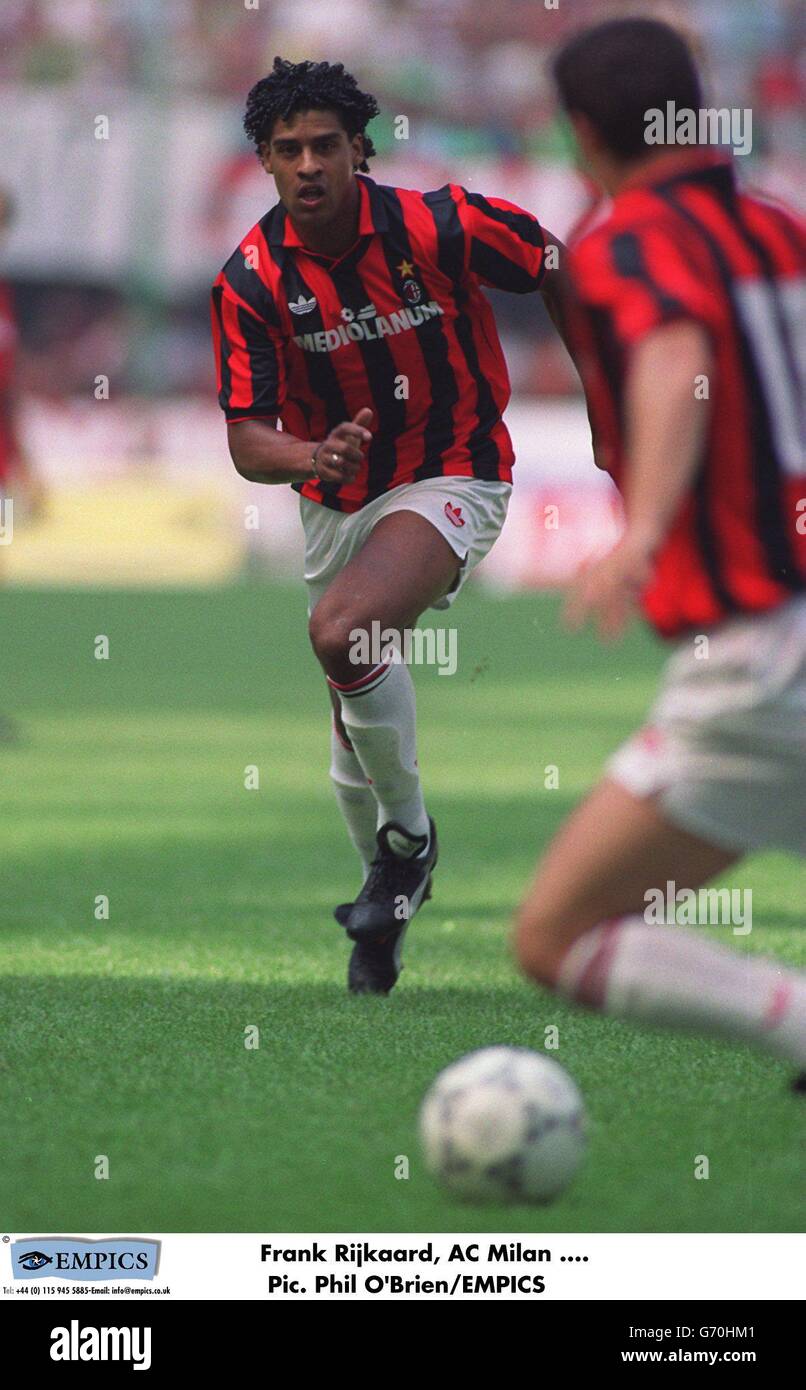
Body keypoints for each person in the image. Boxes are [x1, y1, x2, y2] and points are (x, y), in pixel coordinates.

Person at [212, 58, 587, 995]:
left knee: (344, 632)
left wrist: (609, 396)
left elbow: (554, 263)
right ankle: (386, 894)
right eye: (288, 150)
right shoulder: (250, 283)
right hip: (336, 503)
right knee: (347, 698)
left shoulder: (439, 224)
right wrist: (311, 458)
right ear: (264, 161)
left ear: (359, 151)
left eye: (325, 146)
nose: (308, 165)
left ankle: (409, 846)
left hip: (454, 468)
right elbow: (248, 439)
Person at [514, 18, 806, 1088]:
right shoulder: (778, 229)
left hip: (760, 657)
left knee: (555, 933)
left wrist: (638, 533)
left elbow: (675, 345)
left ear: (583, 131)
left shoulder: (625, 237)